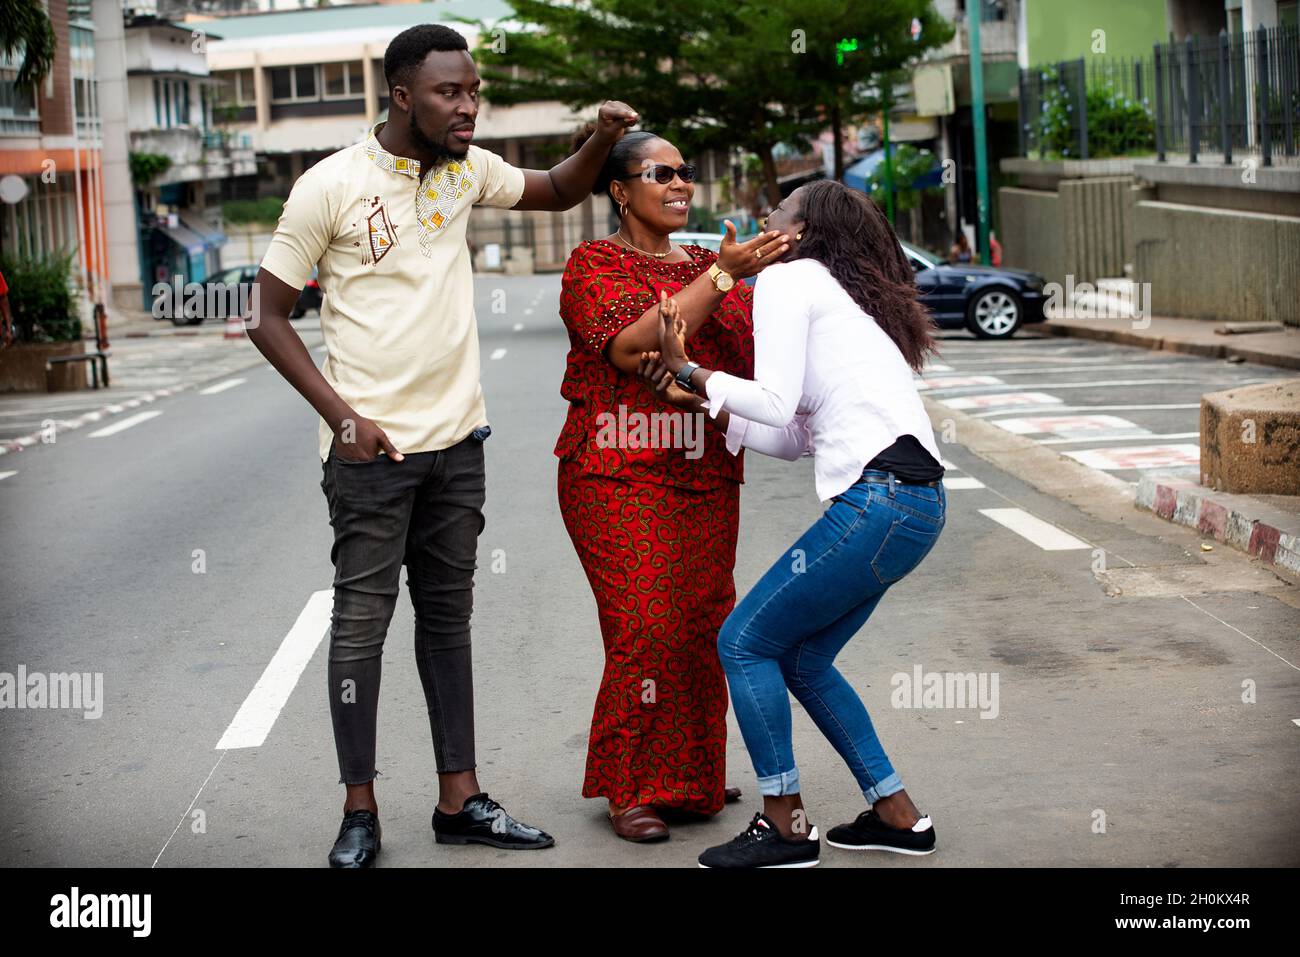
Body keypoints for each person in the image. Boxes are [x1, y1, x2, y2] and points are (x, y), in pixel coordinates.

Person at [247, 23, 638, 868]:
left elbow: (561, 190)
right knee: (359, 627)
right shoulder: (330, 186)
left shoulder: (466, 170)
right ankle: (360, 810)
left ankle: (459, 798)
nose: (468, 107)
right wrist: (343, 418)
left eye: (472, 91)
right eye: (449, 93)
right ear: (401, 96)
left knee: (448, 621)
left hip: (458, 444)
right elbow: (267, 316)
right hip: (371, 453)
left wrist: (602, 137)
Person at [640, 180, 946, 868]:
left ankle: (784, 824)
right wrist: (703, 395)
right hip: (916, 508)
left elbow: (774, 405)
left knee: (744, 641)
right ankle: (899, 815)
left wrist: (689, 364)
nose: (760, 219)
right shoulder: (848, 299)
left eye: (775, 212)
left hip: (878, 501)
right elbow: (795, 433)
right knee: (803, 659)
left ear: (799, 231)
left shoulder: (791, 280)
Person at [555, 126, 790, 842]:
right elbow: (629, 345)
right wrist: (718, 280)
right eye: (661, 173)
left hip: (704, 473)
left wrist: (702, 369)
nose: (680, 183)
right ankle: (631, 786)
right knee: (645, 624)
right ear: (621, 192)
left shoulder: (703, 262)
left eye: (684, 172)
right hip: (615, 472)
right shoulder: (593, 263)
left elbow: (746, 359)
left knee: (702, 627)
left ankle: (685, 778)